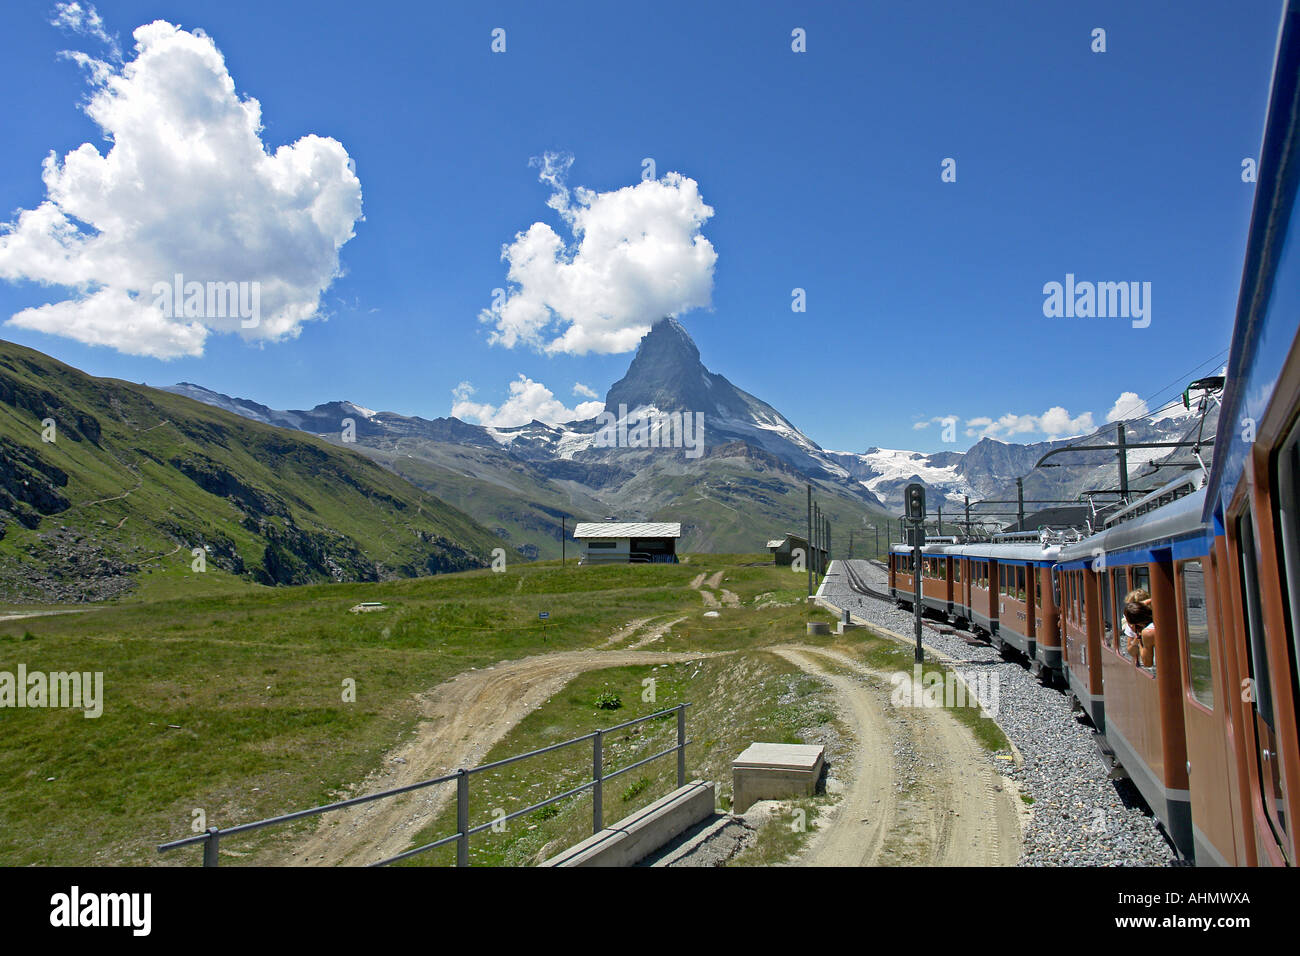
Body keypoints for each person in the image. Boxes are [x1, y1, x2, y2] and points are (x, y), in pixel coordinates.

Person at [1122, 589, 1156, 668]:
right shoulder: (1136, 625)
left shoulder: (1147, 631)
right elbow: (1131, 651)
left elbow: (1147, 663)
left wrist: (1140, 637)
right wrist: (1136, 640)